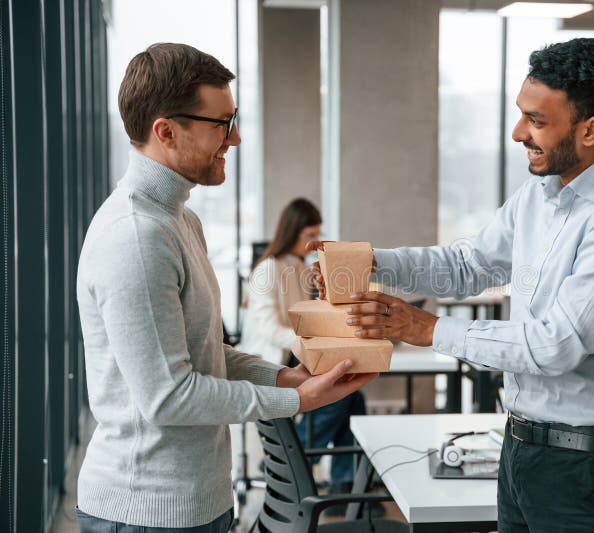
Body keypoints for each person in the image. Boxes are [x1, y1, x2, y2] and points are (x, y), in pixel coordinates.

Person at [313, 38, 594, 532]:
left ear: (591, 129)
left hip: (584, 465)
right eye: (521, 115)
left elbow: (559, 342)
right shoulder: (539, 195)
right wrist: (373, 261)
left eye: (537, 121)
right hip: (521, 448)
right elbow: (469, 265)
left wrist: (429, 330)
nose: (517, 132)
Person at [75, 43, 376, 532]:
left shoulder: (180, 220)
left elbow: (206, 354)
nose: (234, 140)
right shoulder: (136, 236)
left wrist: (285, 379)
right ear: (166, 132)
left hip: (197, 502)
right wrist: (299, 401)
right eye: (222, 124)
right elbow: (169, 398)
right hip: (144, 514)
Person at [238, 198, 367, 504]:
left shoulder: (298, 267)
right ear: (292, 232)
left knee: (354, 397)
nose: (313, 243)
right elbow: (271, 330)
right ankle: (291, 460)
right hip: (266, 366)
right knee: (342, 397)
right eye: (309, 235)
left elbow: (305, 318)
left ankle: (343, 484)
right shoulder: (269, 269)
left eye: (317, 235)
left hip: (293, 360)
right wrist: (309, 343)